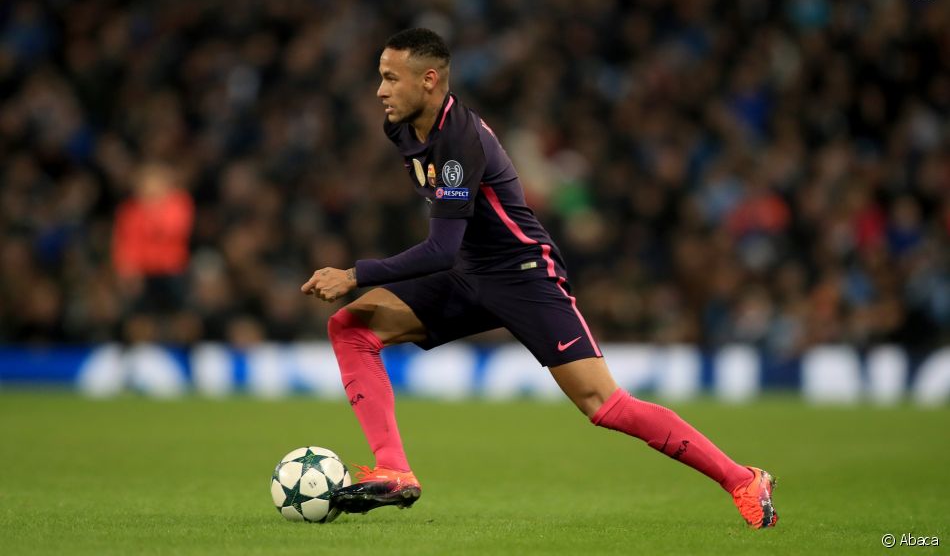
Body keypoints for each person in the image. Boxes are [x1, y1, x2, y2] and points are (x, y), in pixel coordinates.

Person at [300, 28, 778, 528]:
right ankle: (394, 470)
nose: (379, 90)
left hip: (523, 274)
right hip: (467, 273)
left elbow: (440, 248)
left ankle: (743, 479)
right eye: (380, 77)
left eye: (390, 78)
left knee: (604, 404)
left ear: (429, 80)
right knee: (351, 329)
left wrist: (355, 274)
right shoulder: (400, 128)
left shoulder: (460, 140)